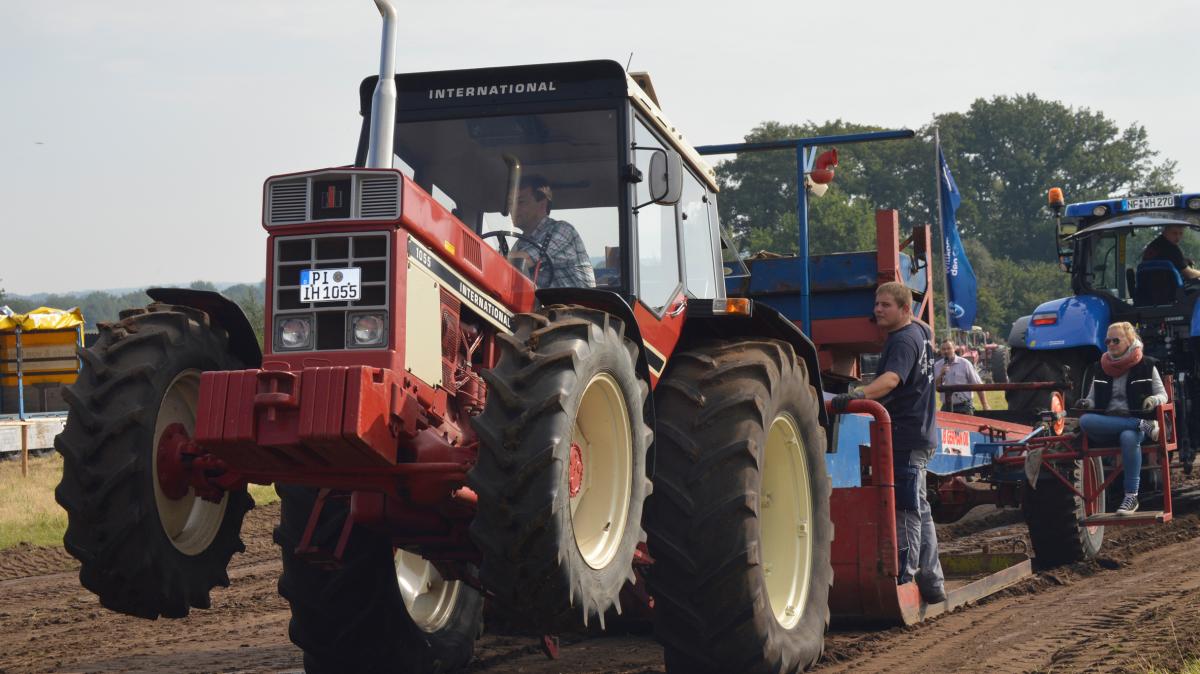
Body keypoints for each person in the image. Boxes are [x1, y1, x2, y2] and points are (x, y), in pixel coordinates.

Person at [833, 281, 945, 603]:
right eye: (876, 304)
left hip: (906, 435)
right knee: (920, 507)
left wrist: (855, 395)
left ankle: (906, 576)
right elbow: (925, 326)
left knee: (908, 508)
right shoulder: (919, 332)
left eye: (885, 305)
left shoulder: (903, 342)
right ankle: (933, 582)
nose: (877, 310)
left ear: (904, 309)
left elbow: (892, 379)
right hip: (918, 432)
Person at [1076, 321, 1167, 515]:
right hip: (1110, 425)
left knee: (1128, 436)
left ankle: (1131, 497)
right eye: (1107, 340)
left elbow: (1164, 395)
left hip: (1132, 430)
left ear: (1130, 340)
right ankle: (1142, 425)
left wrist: (1153, 399)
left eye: (1115, 340)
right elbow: (1092, 400)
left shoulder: (1147, 365)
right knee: (1084, 421)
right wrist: (1086, 404)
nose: (1110, 344)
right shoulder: (1100, 367)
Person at [507, 175, 595, 289]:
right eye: (510, 203)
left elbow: (523, 260)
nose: (512, 209)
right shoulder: (519, 245)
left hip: (576, 305)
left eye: (520, 202)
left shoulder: (562, 230)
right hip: (544, 305)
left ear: (542, 204)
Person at [934, 340, 991, 415]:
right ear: (941, 351)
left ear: (954, 349)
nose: (946, 351)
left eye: (949, 348)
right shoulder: (937, 366)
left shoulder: (965, 364)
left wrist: (985, 404)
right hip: (946, 407)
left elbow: (978, 384)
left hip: (964, 406)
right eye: (943, 349)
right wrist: (941, 374)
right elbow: (935, 387)